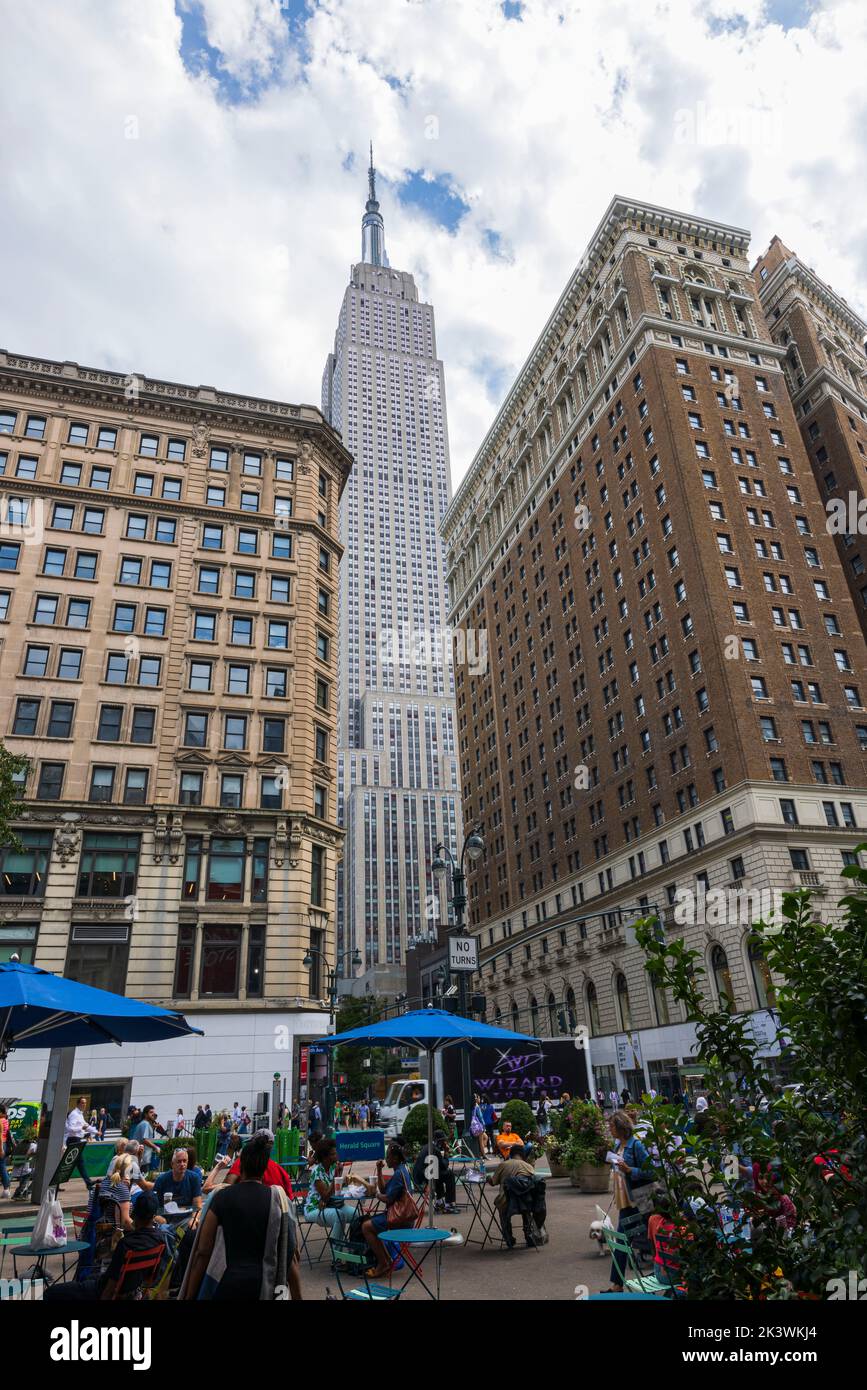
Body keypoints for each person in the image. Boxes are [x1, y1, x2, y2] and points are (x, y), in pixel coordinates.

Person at [182, 1133, 298, 1300]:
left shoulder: (221, 1197)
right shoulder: (278, 1200)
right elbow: (290, 1249)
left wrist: (190, 1294)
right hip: (264, 1285)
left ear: (240, 1164)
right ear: (264, 1167)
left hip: (227, 1282)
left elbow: (203, 1251)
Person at [45, 1191, 165, 1302]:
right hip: (131, 1290)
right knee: (88, 1277)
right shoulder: (159, 1239)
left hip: (102, 1290)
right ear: (154, 1216)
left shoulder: (126, 1244)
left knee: (50, 1292)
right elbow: (151, 1277)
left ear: (134, 1215)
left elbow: (110, 1286)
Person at [605, 1110, 652, 1293]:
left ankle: (618, 1285)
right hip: (625, 1200)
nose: (610, 1129)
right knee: (622, 1241)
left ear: (621, 1127)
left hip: (639, 1201)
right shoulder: (618, 1145)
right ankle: (617, 1284)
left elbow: (651, 1171)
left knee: (625, 1240)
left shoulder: (636, 1145)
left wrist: (631, 1170)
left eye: (612, 1126)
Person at [360, 1138, 415, 1279]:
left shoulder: (398, 1174)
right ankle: (386, 1260)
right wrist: (379, 1170)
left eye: (388, 1157)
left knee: (366, 1226)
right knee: (368, 1222)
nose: (386, 1159)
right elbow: (385, 1190)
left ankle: (383, 1263)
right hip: (402, 1216)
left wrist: (376, 1194)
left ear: (395, 1158)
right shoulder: (401, 1170)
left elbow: (387, 1198)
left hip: (400, 1219)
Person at [304, 1135, 364, 1242]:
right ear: (325, 1157)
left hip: (332, 1205)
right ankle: (336, 1249)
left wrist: (339, 1175)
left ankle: (354, 1245)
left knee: (356, 1214)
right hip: (315, 1208)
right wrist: (337, 1177)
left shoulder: (332, 1168)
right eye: (333, 1154)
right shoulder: (316, 1171)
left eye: (335, 1153)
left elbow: (337, 1190)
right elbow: (325, 1197)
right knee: (339, 1216)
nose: (336, 1155)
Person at [486, 1143, 540, 1248]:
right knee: (526, 1213)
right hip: (526, 1203)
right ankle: (529, 1236)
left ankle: (508, 1238)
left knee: (503, 1214)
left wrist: (488, 1178)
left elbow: (493, 1182)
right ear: (523, 1155)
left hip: (506, 1202)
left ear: (511, 1154)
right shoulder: (529, 1166)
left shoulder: (503, 1165)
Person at [413, 1130, 458, 1213]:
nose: (444, 1142)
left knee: (439, 1175)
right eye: (443, 1140)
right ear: (439, 1141)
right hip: (425, 1176)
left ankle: (439, 1202)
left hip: (419, 1176)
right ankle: (449, 1204)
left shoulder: (428, 1146)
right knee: (450, 1175)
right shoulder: (435, 1149)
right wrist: (446, 1153)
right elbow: (444, 1165)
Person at [64, 1095, 98, 1190]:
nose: (84, 1104)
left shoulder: (80, 1114)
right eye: (82, 1103)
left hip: (76, 1140)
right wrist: (81, 1128)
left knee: (77, 1163)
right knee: (73, 1163)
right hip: (73, 1140)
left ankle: (88, 1182)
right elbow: (70, 1129)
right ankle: (88, 1182)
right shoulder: (74, 1114)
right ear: (78, 1103)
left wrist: (96, 1132)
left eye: (85, 1103)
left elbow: (86, 1126)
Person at [130, 1105, 161, 1175]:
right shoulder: (145, 1124)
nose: (153, 1114)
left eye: (154, 1112)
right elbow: (144, 1140)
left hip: (142, 1159)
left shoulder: (145, 1124)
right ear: (145, 1114)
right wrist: (156, 1147)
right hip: (142, 1160)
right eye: (151, 1112)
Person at [0, 1105, 11, 1198]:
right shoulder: (6, 1120)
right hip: (5, 1144)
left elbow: (0, 1136)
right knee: (2, 1165)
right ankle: (7, 1189)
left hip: (1, 1144)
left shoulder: (0, 1121)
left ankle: (6, 1189)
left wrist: (1, 1149)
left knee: (2, 1166)